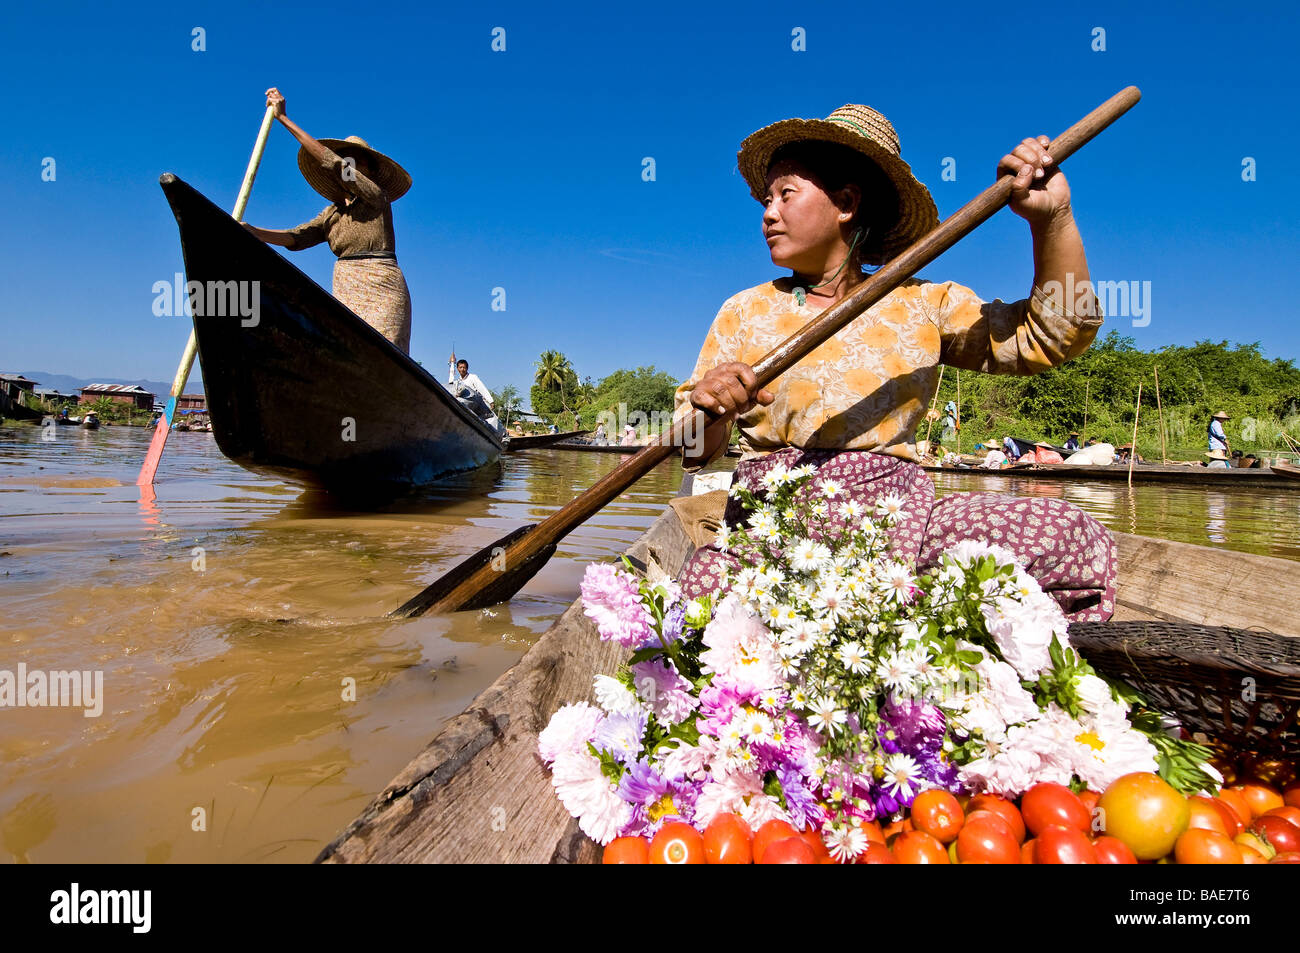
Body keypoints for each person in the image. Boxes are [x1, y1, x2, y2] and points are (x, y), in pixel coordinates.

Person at [674, 102, 1114, 622]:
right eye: (766, 200)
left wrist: (1052, 220)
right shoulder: (745, 310)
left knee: (1066, 532)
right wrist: (712, 409)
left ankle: (897, 613)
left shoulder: (922, 302)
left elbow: (1053, 335)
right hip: (776, 528)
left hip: (893, 528)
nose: (768, 213)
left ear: (845, 203)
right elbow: (691, 450)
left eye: (785, 194)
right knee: (704, 584)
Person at [242, 88, 414, 353]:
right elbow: (296, 237)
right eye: (348, 161)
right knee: (348, 352)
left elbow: (334, 165)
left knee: (384, 351)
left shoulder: (376, 197)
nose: (351, 167)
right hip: (347, 286)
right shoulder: (331, 214)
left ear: (369, 171)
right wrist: (253, 232)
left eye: (358, 163)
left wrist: (284, 119)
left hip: (383, 285)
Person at [447, 354, 502, 433]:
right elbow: (451, 383)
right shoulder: (458, 382)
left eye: (464, 367)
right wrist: (452, 364)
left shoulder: (472, 377)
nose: (462, 369)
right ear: (458, 368)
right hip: (467, 407)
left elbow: (481, 388)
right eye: (460, 367)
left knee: (489, 420)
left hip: (478, 404)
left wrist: (490, 401)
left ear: (467, 368)